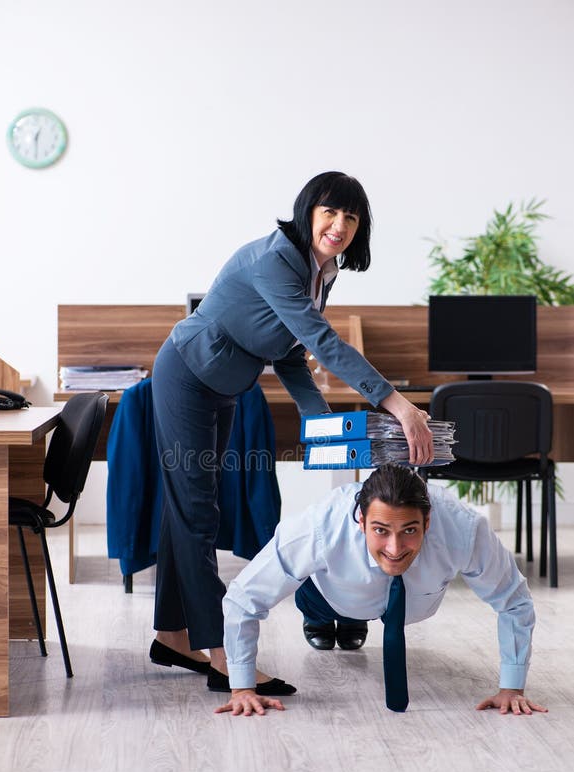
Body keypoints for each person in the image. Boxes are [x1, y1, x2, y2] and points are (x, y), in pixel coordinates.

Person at [150, 172, 434, 694]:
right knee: (197, 512)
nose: (339, 225)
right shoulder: (274, 261)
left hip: (223, 388)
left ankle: (172, 635)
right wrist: (395, 401)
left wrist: (323, 425)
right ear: (308, 211)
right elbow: (323, 343)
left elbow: (288, 354)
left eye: (351, 217)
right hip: (186, 374)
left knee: (189, 508)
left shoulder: (321, 273)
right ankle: (222, 656)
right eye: (330, 211)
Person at [215, 464, 548, 717]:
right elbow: (244, 599)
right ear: (360, 520)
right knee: (324, 606)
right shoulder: (320, 529)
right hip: (331, 594)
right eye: (380, 530)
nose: (394, 547)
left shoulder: (463, 530)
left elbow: (514, 601)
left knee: (378, 591)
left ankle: (355, 618)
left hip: (412, 604)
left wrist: (512, 687)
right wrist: (242, 687)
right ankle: (328, 617)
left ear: (428, 522)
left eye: (409, 530)